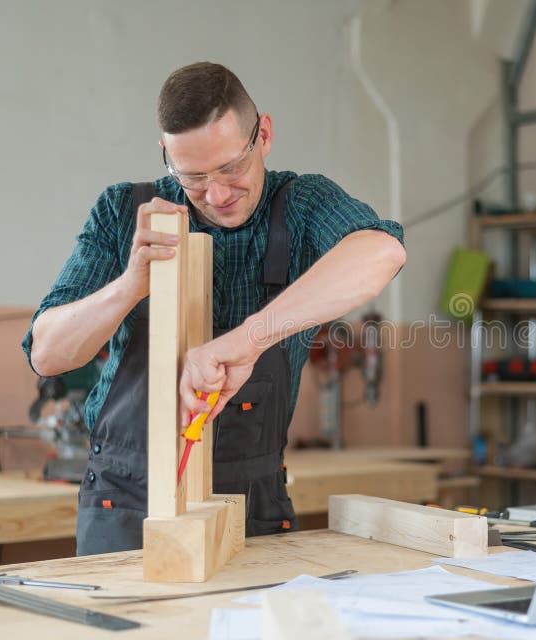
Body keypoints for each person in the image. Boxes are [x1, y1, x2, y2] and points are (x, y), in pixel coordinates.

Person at [21, 62, 405, 555]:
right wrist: (131, 284)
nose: (217, 195)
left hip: (251, 501)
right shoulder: (123, 211)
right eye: (193, 178)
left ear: (263, 134)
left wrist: (246, 341)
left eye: (231, 168)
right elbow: (47, 355)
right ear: (166, 154)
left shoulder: (303, 205)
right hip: (123, 502)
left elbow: (383, 253)